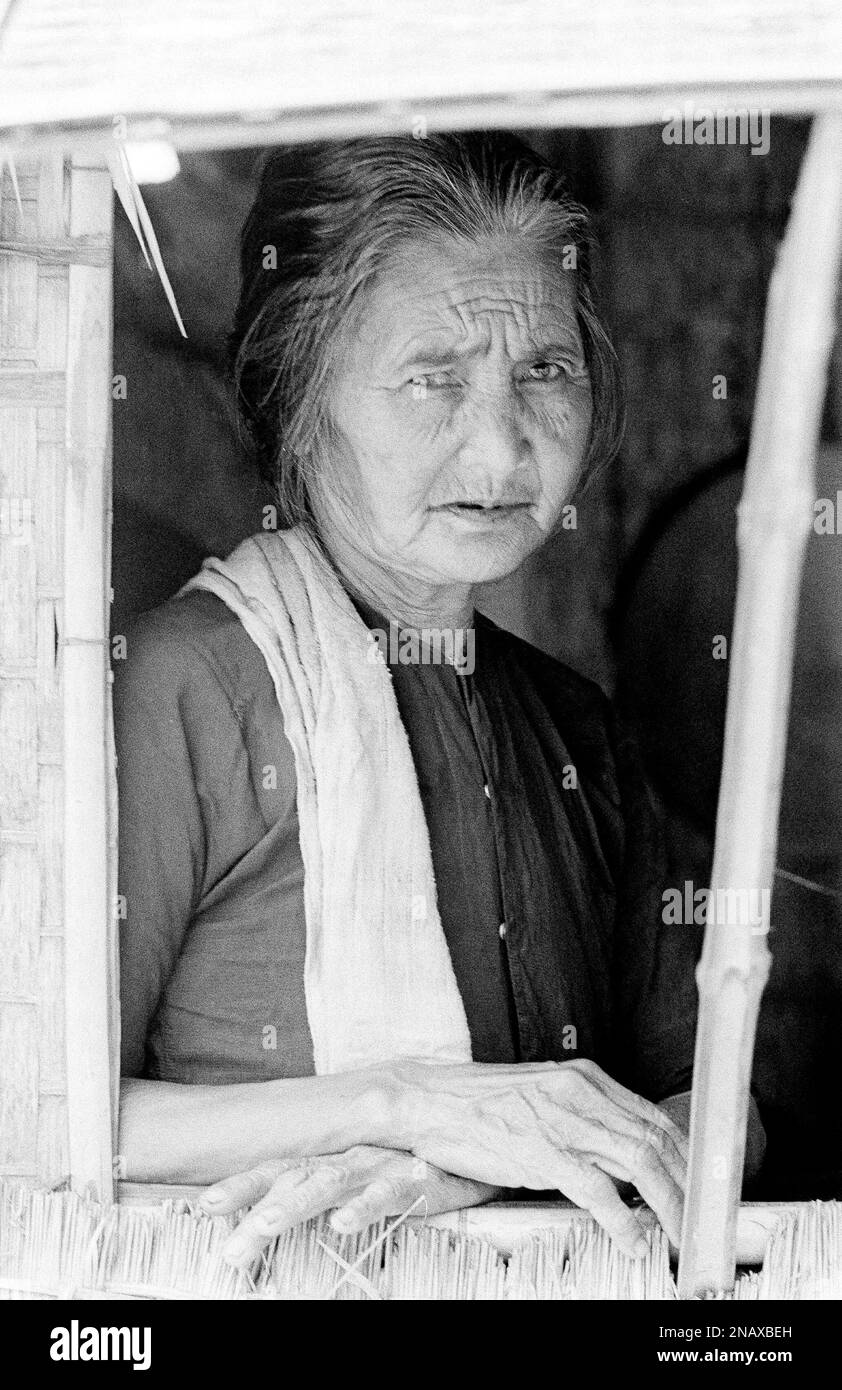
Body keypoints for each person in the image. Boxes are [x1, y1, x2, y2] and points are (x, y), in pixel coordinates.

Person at [114, 132, 761, 1270]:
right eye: (434, 377)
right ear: (302, 395)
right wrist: (399, 1102)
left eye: (544, 371)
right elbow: (40, 1114)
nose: (504, 444)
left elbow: (720, 1110)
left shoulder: (576, 731)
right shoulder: (185, 687)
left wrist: (492, 1160)